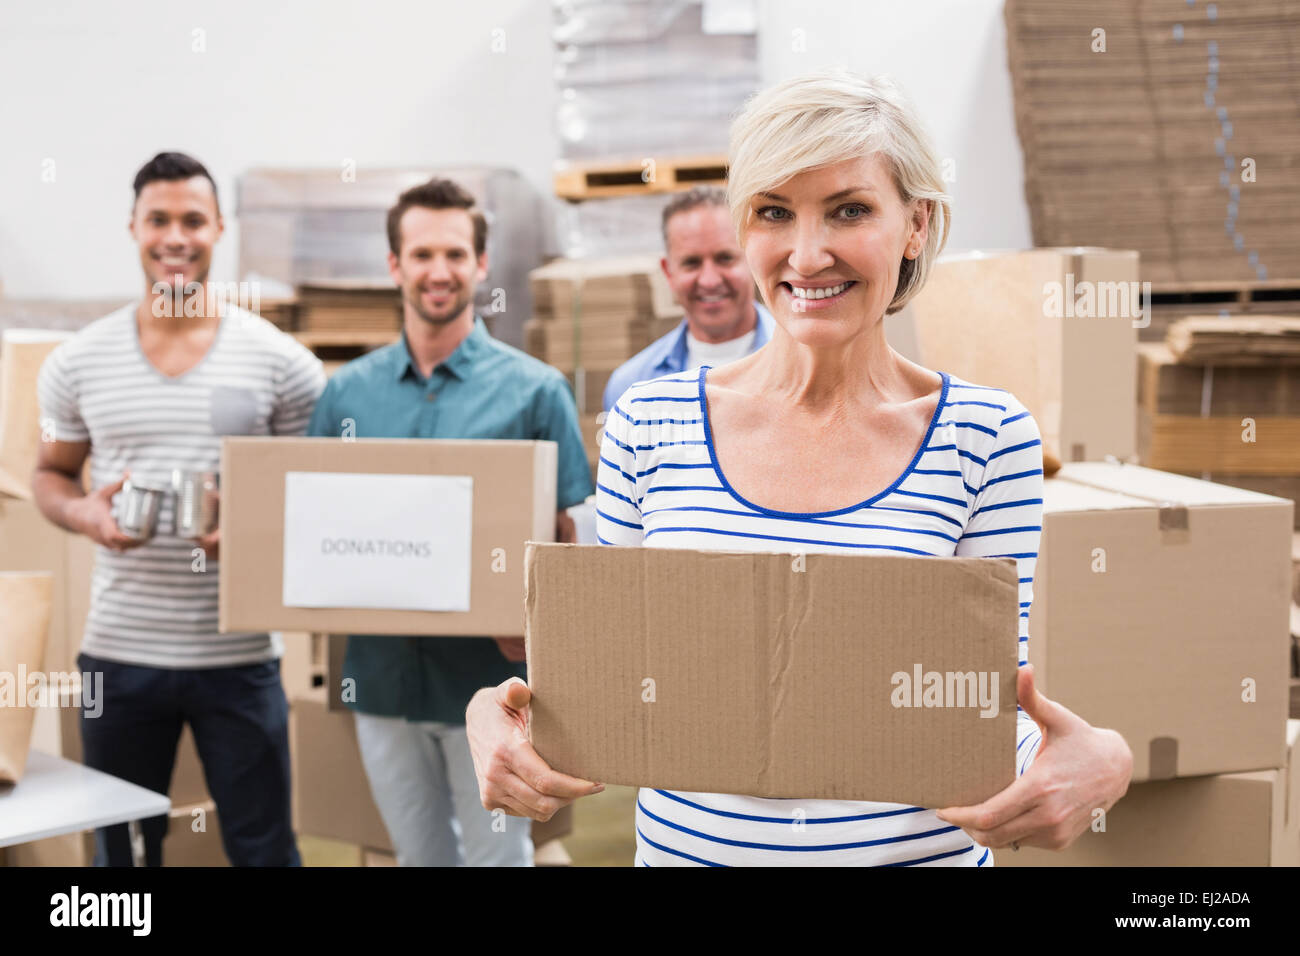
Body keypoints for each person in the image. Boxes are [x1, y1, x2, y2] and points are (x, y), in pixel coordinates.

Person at [467, 71, 1133, 866]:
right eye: (774, 213)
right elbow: (607, 686)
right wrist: (485, 713)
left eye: (850, 209)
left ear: (915, 224)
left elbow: (987, 700)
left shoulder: (983, 437)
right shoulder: (650, 425)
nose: (807, 254)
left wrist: (1104, 760)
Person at [33, 151, 325, 866]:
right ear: (132, 227)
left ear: (219, 227)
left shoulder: (280, 363)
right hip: (118, 657)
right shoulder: (77, 363)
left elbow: (315, 499)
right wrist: (85, 517)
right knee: (123, 856)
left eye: (192, 219)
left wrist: (252, 529)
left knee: (263, 848)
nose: (175, 237)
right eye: (158, 219)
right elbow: (50, 474)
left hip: (240, 657)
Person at [306, 177, 594, 867]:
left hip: (491, 686)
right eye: (423, 254)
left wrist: (531, 615)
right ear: (394, 265)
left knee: (500, 859)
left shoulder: (535, 392)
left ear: (481, 264)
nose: (440, 272)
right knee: (419, 858)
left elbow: (577, 547)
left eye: (456, 255)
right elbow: (316, 528)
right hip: (380, 682)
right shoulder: (346, 394)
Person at [602, 186, 774, 412]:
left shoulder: (806, 365)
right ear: (668, 272)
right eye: (691, 263)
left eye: (725, 258)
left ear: (752, 257)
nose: (710, 280)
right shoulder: (631, 387)